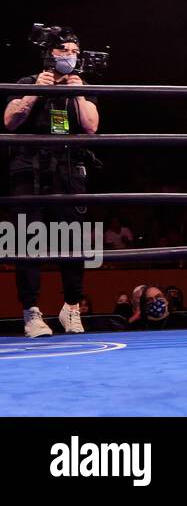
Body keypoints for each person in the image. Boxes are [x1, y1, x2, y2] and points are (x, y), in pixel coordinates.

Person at [3, 28, 99, 337]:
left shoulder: (80, 88)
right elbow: (9, 121)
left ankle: (71, 307)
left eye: (74, 50)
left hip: (68, 171)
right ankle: (32, 312)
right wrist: (34, 93)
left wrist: (79, 93)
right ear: (49, 54)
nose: (69, 55)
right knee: (28, 242)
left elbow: (91, 127)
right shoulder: (26, 83)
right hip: (28, 171)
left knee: (73, 241)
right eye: (63, 50)